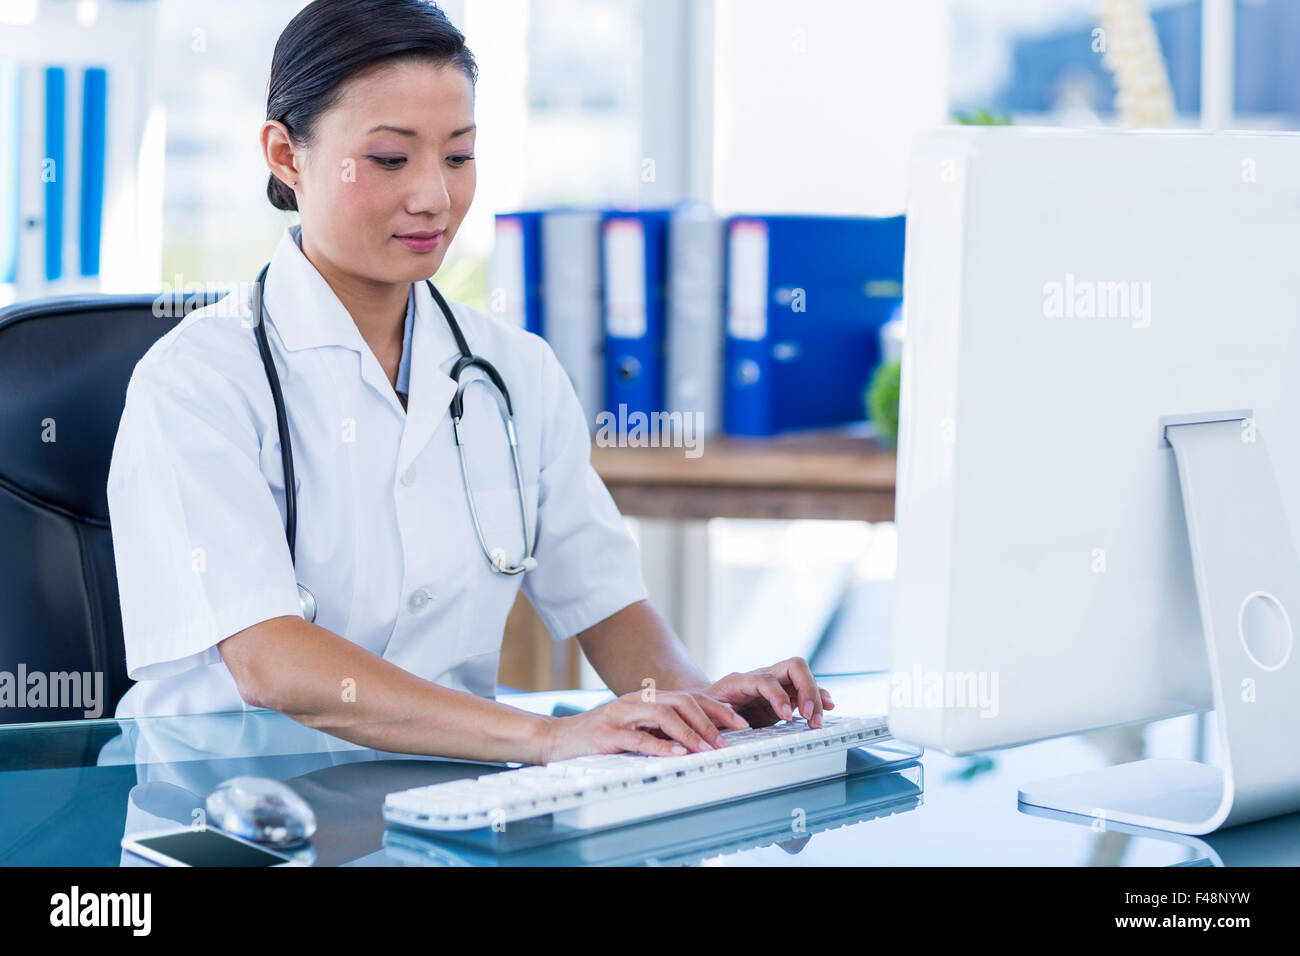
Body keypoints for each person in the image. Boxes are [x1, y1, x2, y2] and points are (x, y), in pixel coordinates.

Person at [107, 0, 832, 764]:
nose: (435, 197)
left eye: (458, 156)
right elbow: (271, 664)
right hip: (226, 811)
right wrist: (547, 738)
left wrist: (705, 710)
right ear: (286, 155)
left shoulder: (515, 372)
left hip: (441, 802)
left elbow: (606, 601)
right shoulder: (195, 383)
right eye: (391, 159)